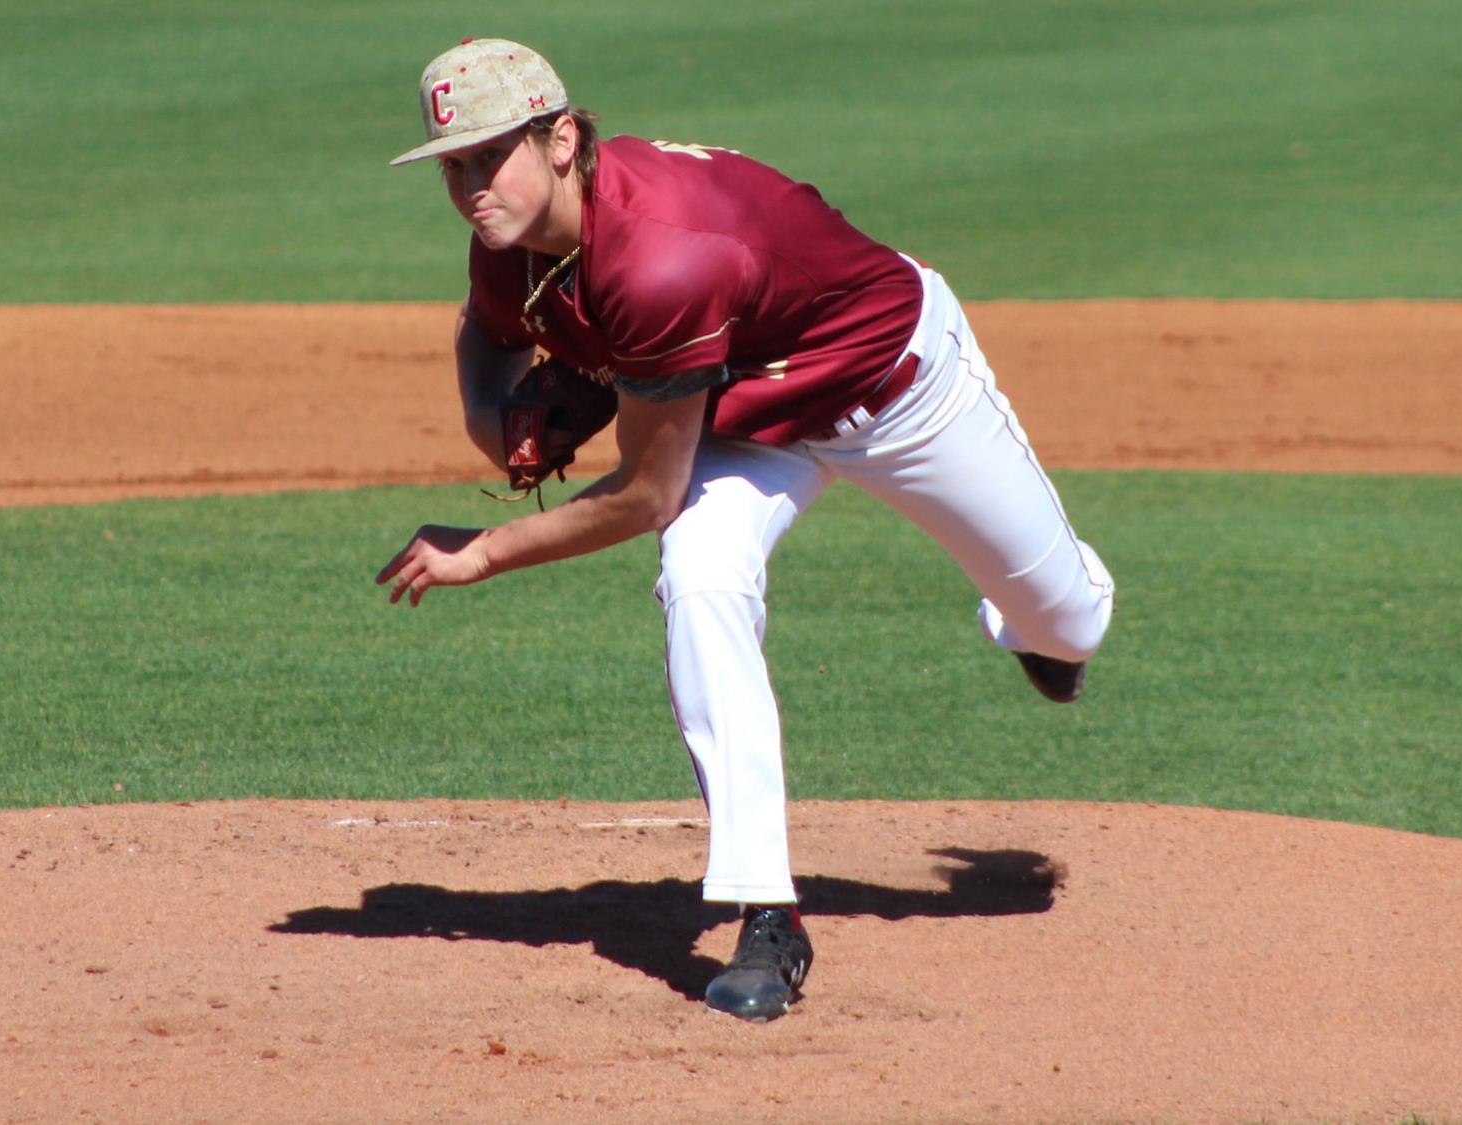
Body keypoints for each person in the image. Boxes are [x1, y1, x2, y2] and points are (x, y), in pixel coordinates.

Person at [375, 38, 1115, 1023]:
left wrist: (488, 548)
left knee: (1069, 623)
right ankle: (768, 911)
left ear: (560, 139)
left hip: (898, 392)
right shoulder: (510, 241)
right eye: (451, 165)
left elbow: (642, 492)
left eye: (487, 155)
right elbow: (489, 337)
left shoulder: (662, 257)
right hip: (740, 418)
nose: (469, 187)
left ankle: (1026, 627)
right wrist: (495, 425)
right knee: (701, 574)